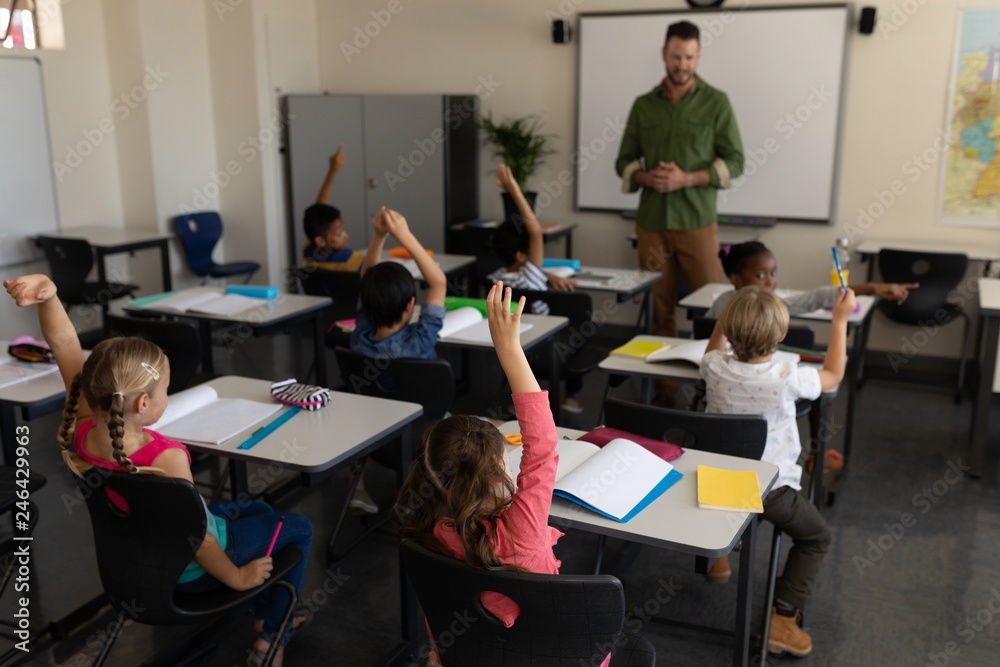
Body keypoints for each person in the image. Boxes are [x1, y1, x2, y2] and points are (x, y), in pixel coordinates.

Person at [4, 274, 313, 667]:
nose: (169, 394)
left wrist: (49, 296)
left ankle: (261, 609)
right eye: (166, 389)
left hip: (135, 562)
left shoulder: (83, 425)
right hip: (189, 573)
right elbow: (198, 540)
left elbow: (63, 343)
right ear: (143, 405)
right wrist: (236, 579)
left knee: (262, 513)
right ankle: (273, 635)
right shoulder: (168, 459)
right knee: (299, 527)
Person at [395, 282, 610, 667]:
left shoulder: (427, 531)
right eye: (508, 462)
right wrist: (510, 350)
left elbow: (440, 606)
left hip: (472, 655)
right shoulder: (521, 529)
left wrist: (439, 651)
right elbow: (542, 447)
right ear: (496, 477)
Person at [700, 285, 855, 658]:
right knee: (816, 537)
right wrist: (839, 320)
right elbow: (834, 372)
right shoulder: (789, 375)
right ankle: (783, 619)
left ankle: (719, 552)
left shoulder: (713, 366)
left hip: (716, 485)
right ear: (782, 337)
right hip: (769, 491)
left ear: (728, 329)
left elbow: (712, 349)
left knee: (732, 498)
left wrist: (727, 316)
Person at [615, 20, 744, 339]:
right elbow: (623, 161)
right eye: (675, 56)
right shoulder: (644, 105)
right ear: (664, 54)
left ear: (698, 56)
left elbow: (736, 161)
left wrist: (687, 178)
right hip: (651, 223)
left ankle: (711, 386)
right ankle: (664, 389)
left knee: (711, 306)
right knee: (659, 307)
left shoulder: (717, 102)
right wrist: (646, 176)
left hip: (697, 221)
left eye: (688, 57)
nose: (682, 65)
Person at [347, 206, 448, 514]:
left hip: (373, 434)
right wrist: (403, 235)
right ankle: (423, 496)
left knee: (357, 415)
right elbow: (439, 283)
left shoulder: (359, 335)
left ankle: (358, 489)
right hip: (426, 439)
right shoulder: (420, 341)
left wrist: (379, 236)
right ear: (410, 306)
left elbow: (368, 278)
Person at [487, 164, 584, 413]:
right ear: (522, 255)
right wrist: (514, 190)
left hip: (516, 346)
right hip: (551, 344)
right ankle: (572, 396)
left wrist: (546, 273)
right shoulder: (531, 271)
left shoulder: (495, 279)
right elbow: (536, 233)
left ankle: (513, 399)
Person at [705, 240, 918, 319]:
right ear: (736, 278)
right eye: (761, 276)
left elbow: (817, 296)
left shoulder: (721, 302)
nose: (770, 281)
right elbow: (815, 298)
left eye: (774, 273)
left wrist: (873, 287)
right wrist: (872, 287)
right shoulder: (772, 305)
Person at [302, 145, 364, 273]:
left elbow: (319, 211)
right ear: (320, 240)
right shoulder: (351, 260)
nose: (346, 235)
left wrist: (333, 171)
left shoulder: (308, 252)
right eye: (339, 233)